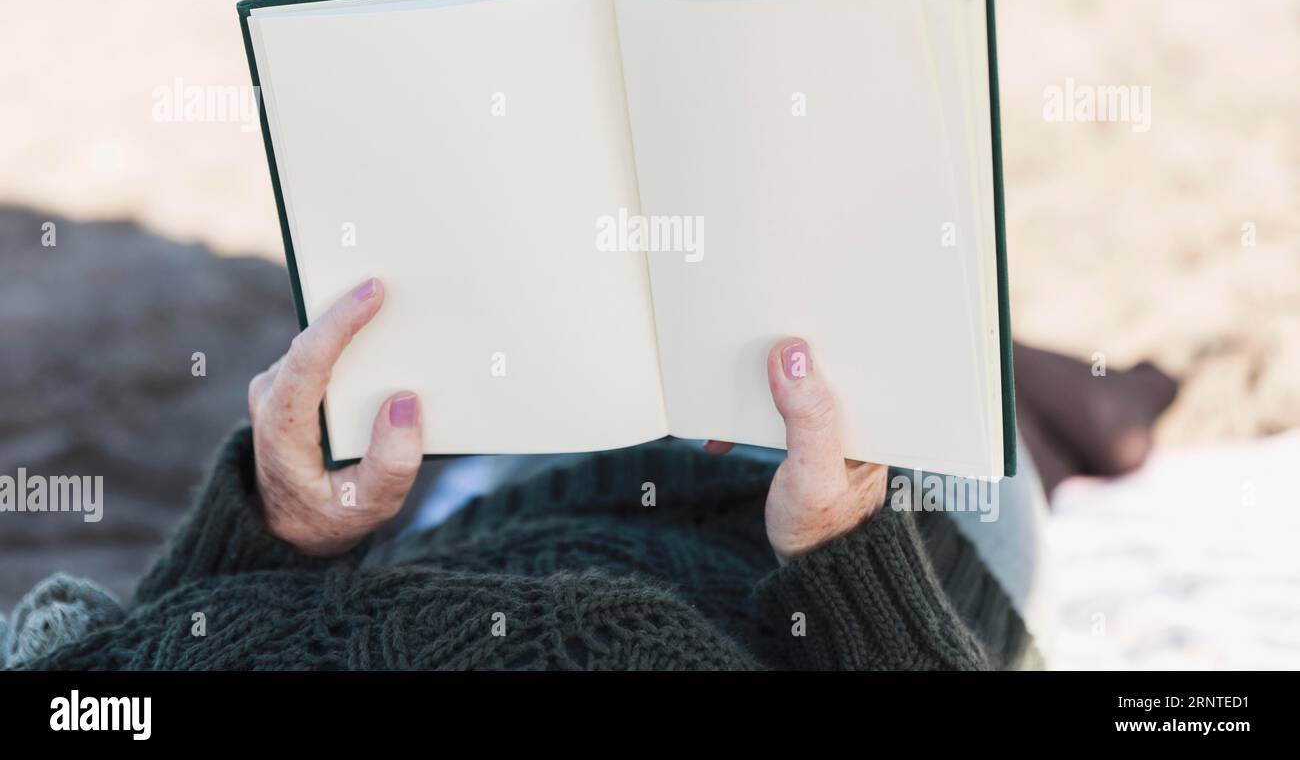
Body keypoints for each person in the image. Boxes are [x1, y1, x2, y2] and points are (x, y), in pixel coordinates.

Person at [6, 277, 1174, 670]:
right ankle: (1064, 398)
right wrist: (840, 548)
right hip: (900, 565)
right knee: (922, 358)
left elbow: (92, 665)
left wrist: (269, 525)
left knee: (650, 334)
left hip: (542, 499)